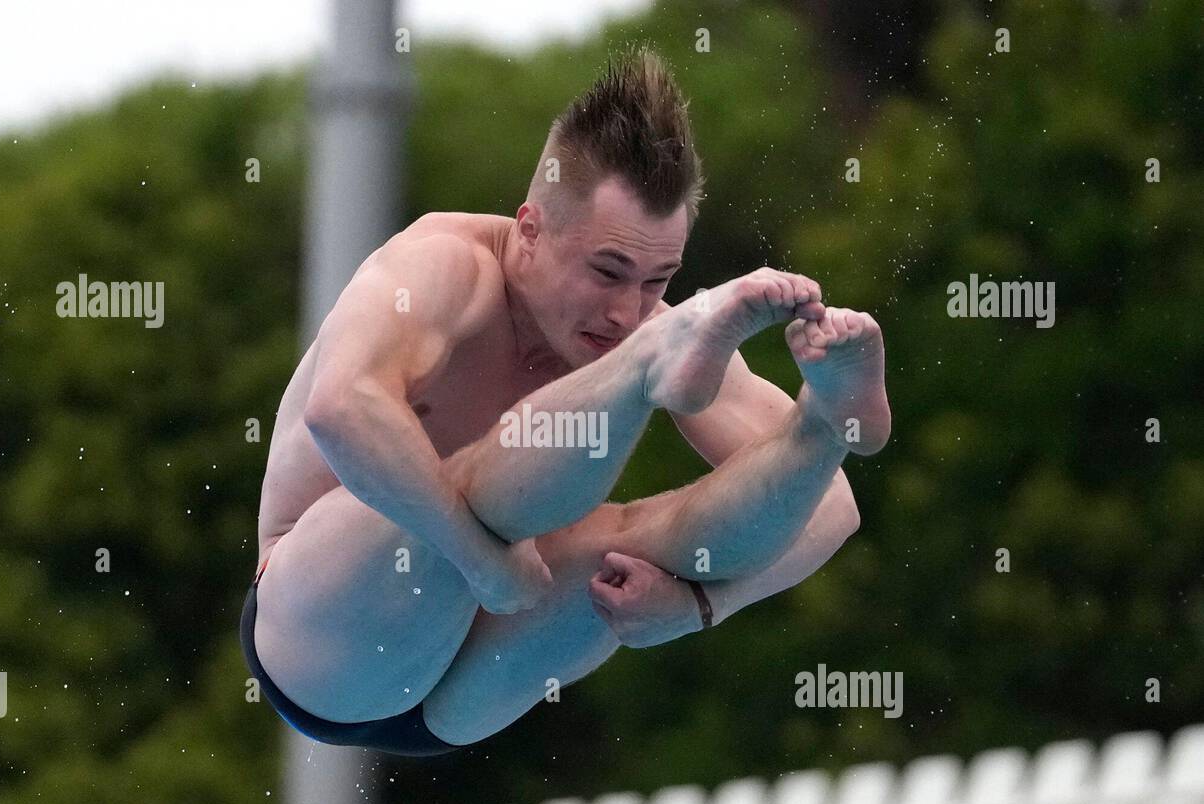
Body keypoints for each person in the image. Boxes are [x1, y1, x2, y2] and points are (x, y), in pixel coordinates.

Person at [241, 49, 890, 756]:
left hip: (463, 692)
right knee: (467, 484)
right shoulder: (442, 270)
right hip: (326, 643)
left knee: (632, 545)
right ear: (530, 228)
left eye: (657, 280)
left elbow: (835, 508)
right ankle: (641, 381)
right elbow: (341, 408)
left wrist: (701, 605)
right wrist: (481, 561)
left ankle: (818, 425)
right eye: (608, 271)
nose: (625, 310)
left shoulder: (649, 320)